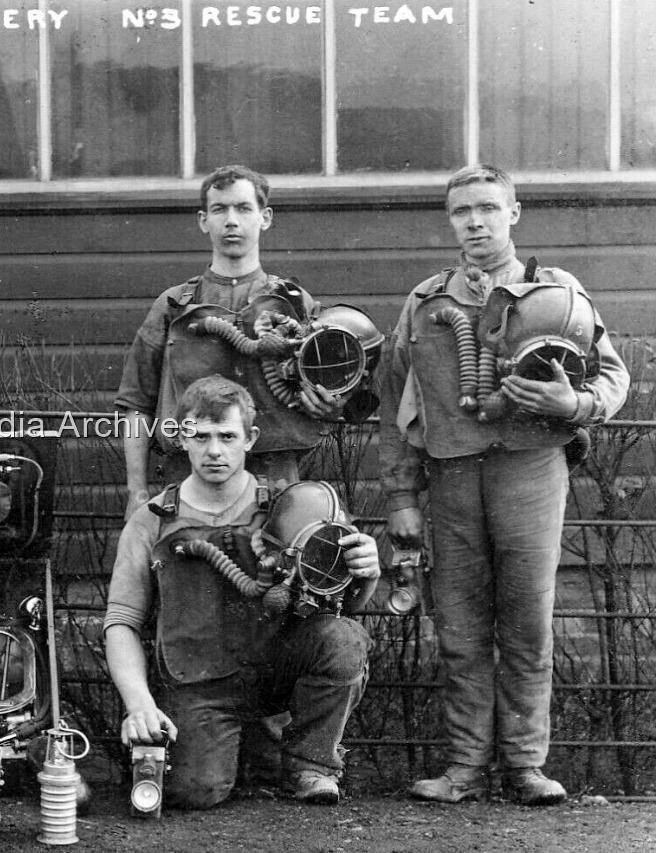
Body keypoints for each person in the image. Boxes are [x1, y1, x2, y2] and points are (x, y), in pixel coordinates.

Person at [378, 164, 630, 805]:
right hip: (453, 477)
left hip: (530, 471)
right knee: (459, 626)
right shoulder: (426, 301)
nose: (476, 222)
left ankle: (524, 766)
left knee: (527, 623)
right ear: (450, 220)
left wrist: (572, 405)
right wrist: (402, 498)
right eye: (463, 211)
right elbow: (395, 407)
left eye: (489, 208)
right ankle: (464, 767)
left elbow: (613, 377)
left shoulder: (559, 292)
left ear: (513, 214)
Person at [104, 375, 380, 808]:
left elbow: (343, 609)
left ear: (250, 438)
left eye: (228, 436)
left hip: (274, 668)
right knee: (193, 792)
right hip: (198, 683)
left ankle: (312, 765)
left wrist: (367, 572)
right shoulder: (152, 521)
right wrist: (139, 704)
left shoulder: (291, 508)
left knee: (343, 640)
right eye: (202, 436)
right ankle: (245, 746)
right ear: (181, 439)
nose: (215, 450)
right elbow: (121, 621)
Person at [116, 165, 365, 521]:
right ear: (204, 220)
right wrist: (137, 492)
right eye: (220, 209)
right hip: (189, 482)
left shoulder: (296, 305)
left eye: (243, 208)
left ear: (265, 218)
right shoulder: (173, 307)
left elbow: (335, 390)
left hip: (278, 483)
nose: (231, 220)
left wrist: (329, 406)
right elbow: (136, 403)